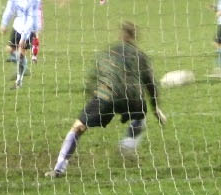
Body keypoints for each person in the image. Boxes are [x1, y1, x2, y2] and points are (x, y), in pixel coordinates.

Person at [46, 21, 164, 177]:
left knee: (78, 128)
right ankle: (128, 144)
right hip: (134, 98)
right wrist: (156, 108)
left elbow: (92, 79)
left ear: (120, 35)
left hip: (106, 96)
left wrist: (91, 98)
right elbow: (150, 83)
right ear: (135, 37)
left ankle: (59, 169)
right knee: (140, 115)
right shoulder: (141, 55)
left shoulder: (108, 52)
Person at [0, 0, 43, 87]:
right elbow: (9, 9)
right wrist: (4, 24)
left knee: (21, 53)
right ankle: (23, 65)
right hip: (17, 26)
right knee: (9, 49)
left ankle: (19, 81)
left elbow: (30, 20)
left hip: (28, 29)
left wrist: (24, 38)